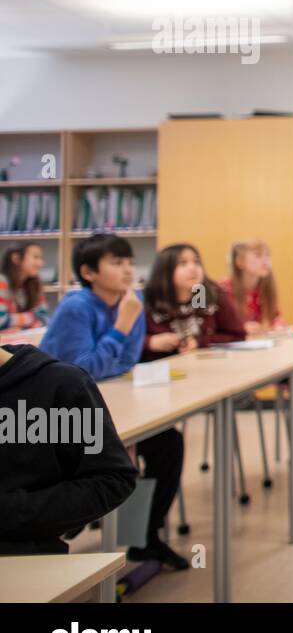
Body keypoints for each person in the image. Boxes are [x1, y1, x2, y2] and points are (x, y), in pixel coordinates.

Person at [40, 233, 188, 571]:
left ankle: (143, 537)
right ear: (89, 272)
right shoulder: (76, 308)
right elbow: (83, 371)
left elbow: (123, 363)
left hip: (109, 400)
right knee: (117, 459)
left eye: (130, 263)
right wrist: (122, 325)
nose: (127, 270)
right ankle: (83, 537)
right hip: (60, 414)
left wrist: (121, 332)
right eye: (116, 263)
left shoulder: (131, 300)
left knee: (168, 443)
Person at [0, 342, 137, 556]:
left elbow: (112, 479)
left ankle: (143, 542)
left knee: (167, 446)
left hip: (23, 552)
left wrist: (14, 511)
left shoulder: (61, 384)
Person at [141, 244, 245, 362]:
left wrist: (199, 342)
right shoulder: (148, 300)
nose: (193, 268)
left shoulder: (205, 293)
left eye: (197, 262)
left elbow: (237, 335)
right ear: (165, 271)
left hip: (204, 368)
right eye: (182, 263)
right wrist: (150, 342)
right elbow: (124, 343)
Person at [221, 239, 285, 336]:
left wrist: (279, 325)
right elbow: (217, 326)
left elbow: (276, 317)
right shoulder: (223, 289)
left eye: (267, 255)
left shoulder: (263, 290)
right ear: (239, 262)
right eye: (258, 255)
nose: (265, 260)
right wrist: (240, 327)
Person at [1, 242, 50, 330]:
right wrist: (32, 317)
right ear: (16, 258)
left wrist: (17, 322)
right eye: (35, 257)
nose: (41, 263)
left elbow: (43, 316)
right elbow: (1, 320)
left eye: (40, 258)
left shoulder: (35, 283)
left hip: (21, 339)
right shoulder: (2, 282)